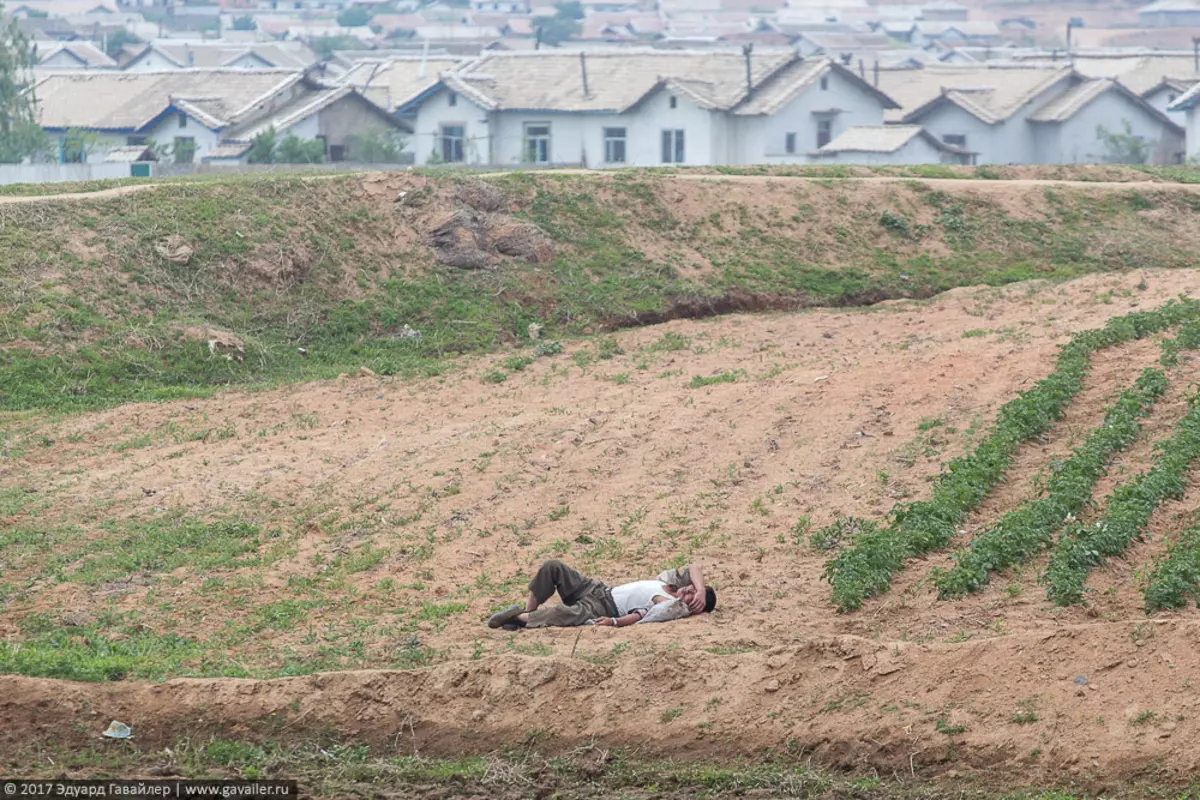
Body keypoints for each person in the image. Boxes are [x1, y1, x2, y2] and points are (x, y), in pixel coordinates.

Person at [486, 559, 715, 630]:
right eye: (691, 588)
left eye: (691, 595)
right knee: (553, 567)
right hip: (598, 589)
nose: (688, 590)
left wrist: (613, 622)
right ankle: (528, 611)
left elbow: (640, 615)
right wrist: (702, 591)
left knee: (563, 613)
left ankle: (517, 619)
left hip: (605, 607)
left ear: (691, 605)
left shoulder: (669, 604)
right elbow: (695, 567)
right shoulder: (672, 584)